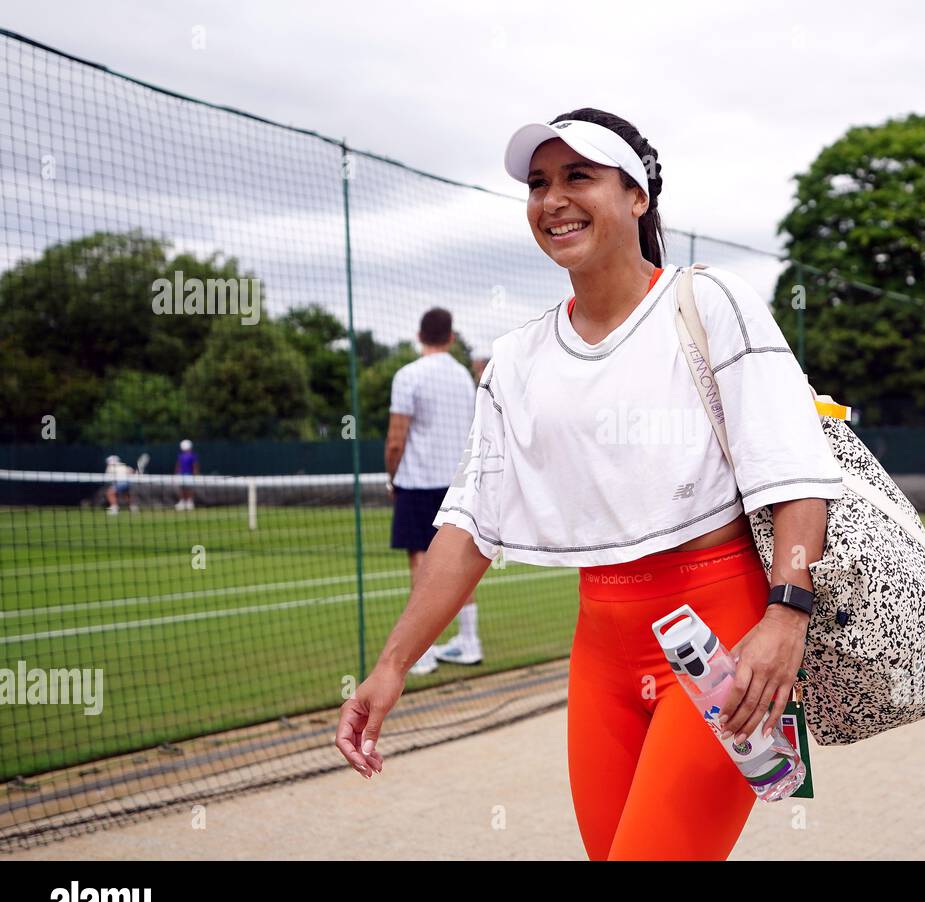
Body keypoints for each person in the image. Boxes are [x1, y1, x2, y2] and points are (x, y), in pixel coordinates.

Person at [337, 109, 842, 861]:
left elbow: (797, 472)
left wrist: (786, 614)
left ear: (637, 195)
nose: (552, 199)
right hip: (601, 648)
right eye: (539, 183)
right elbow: (469, 523)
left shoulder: (712, 304)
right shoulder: (515, 360)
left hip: (720, 637)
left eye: (579, 176)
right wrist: (391, 665)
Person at [385, 307, 481, 673]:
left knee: (421, 562)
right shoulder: (462, 377)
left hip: (419, 482)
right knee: (459, 563)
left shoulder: (408, 375)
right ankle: (469, 641)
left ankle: (422, 653)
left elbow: (396, 439)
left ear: (418, 335)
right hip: (457, 483)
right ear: (451, 337)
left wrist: (390, 477)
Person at [174, 439, 199, 510]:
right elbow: (178, 465)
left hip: (189, 475)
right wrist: (176, 474)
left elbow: (195, 466)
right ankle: (182, 502)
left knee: (189, 489)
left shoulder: (193, 456)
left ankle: (189, 502)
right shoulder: (180, 456)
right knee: (182, 489)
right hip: (181, 474)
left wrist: (196, 474)